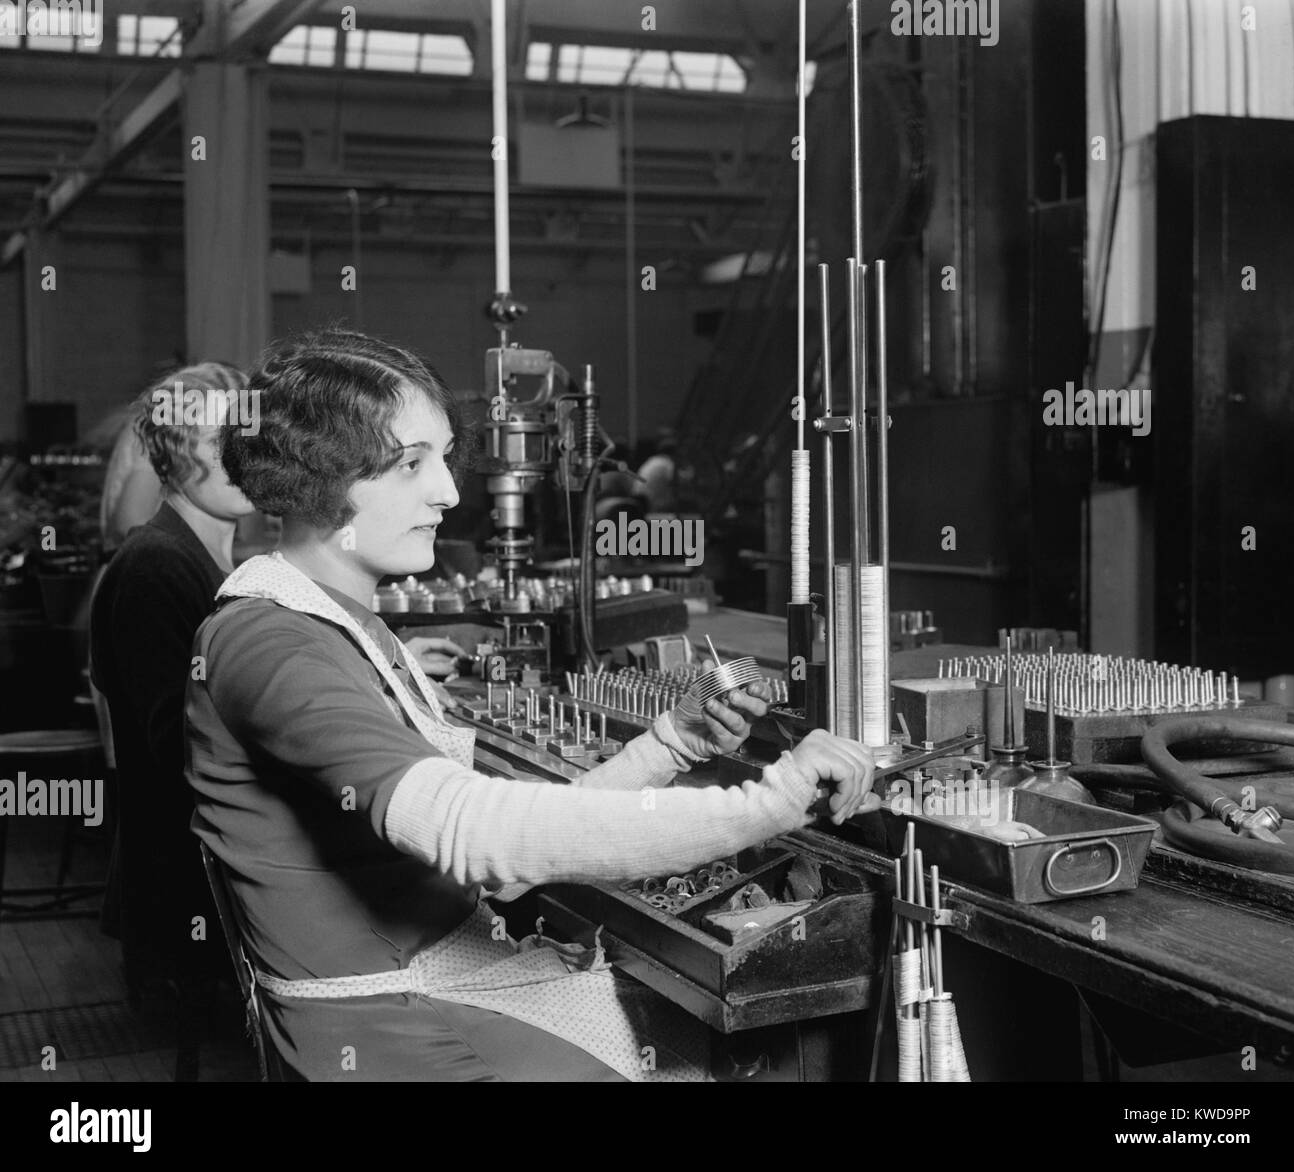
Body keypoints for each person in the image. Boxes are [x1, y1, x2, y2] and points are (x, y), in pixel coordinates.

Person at [186, 329, 878, 1082]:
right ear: (323, 476)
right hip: (392, 1038)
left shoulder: (345, 623)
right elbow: (478, 834)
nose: (449, 491)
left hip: (438, 989)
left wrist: (671, 744)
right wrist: (774, 801)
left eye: (445, 459)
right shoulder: (272, 643)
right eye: (412, 464)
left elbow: (495, 872)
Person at [91, 362, 258, 993]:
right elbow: (181, 750)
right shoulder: (154, 567)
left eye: (251, 440)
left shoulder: (220, 562)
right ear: (171, 450)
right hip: (185, 895)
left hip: (218, 873)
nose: (245, 459)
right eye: (223, 444)